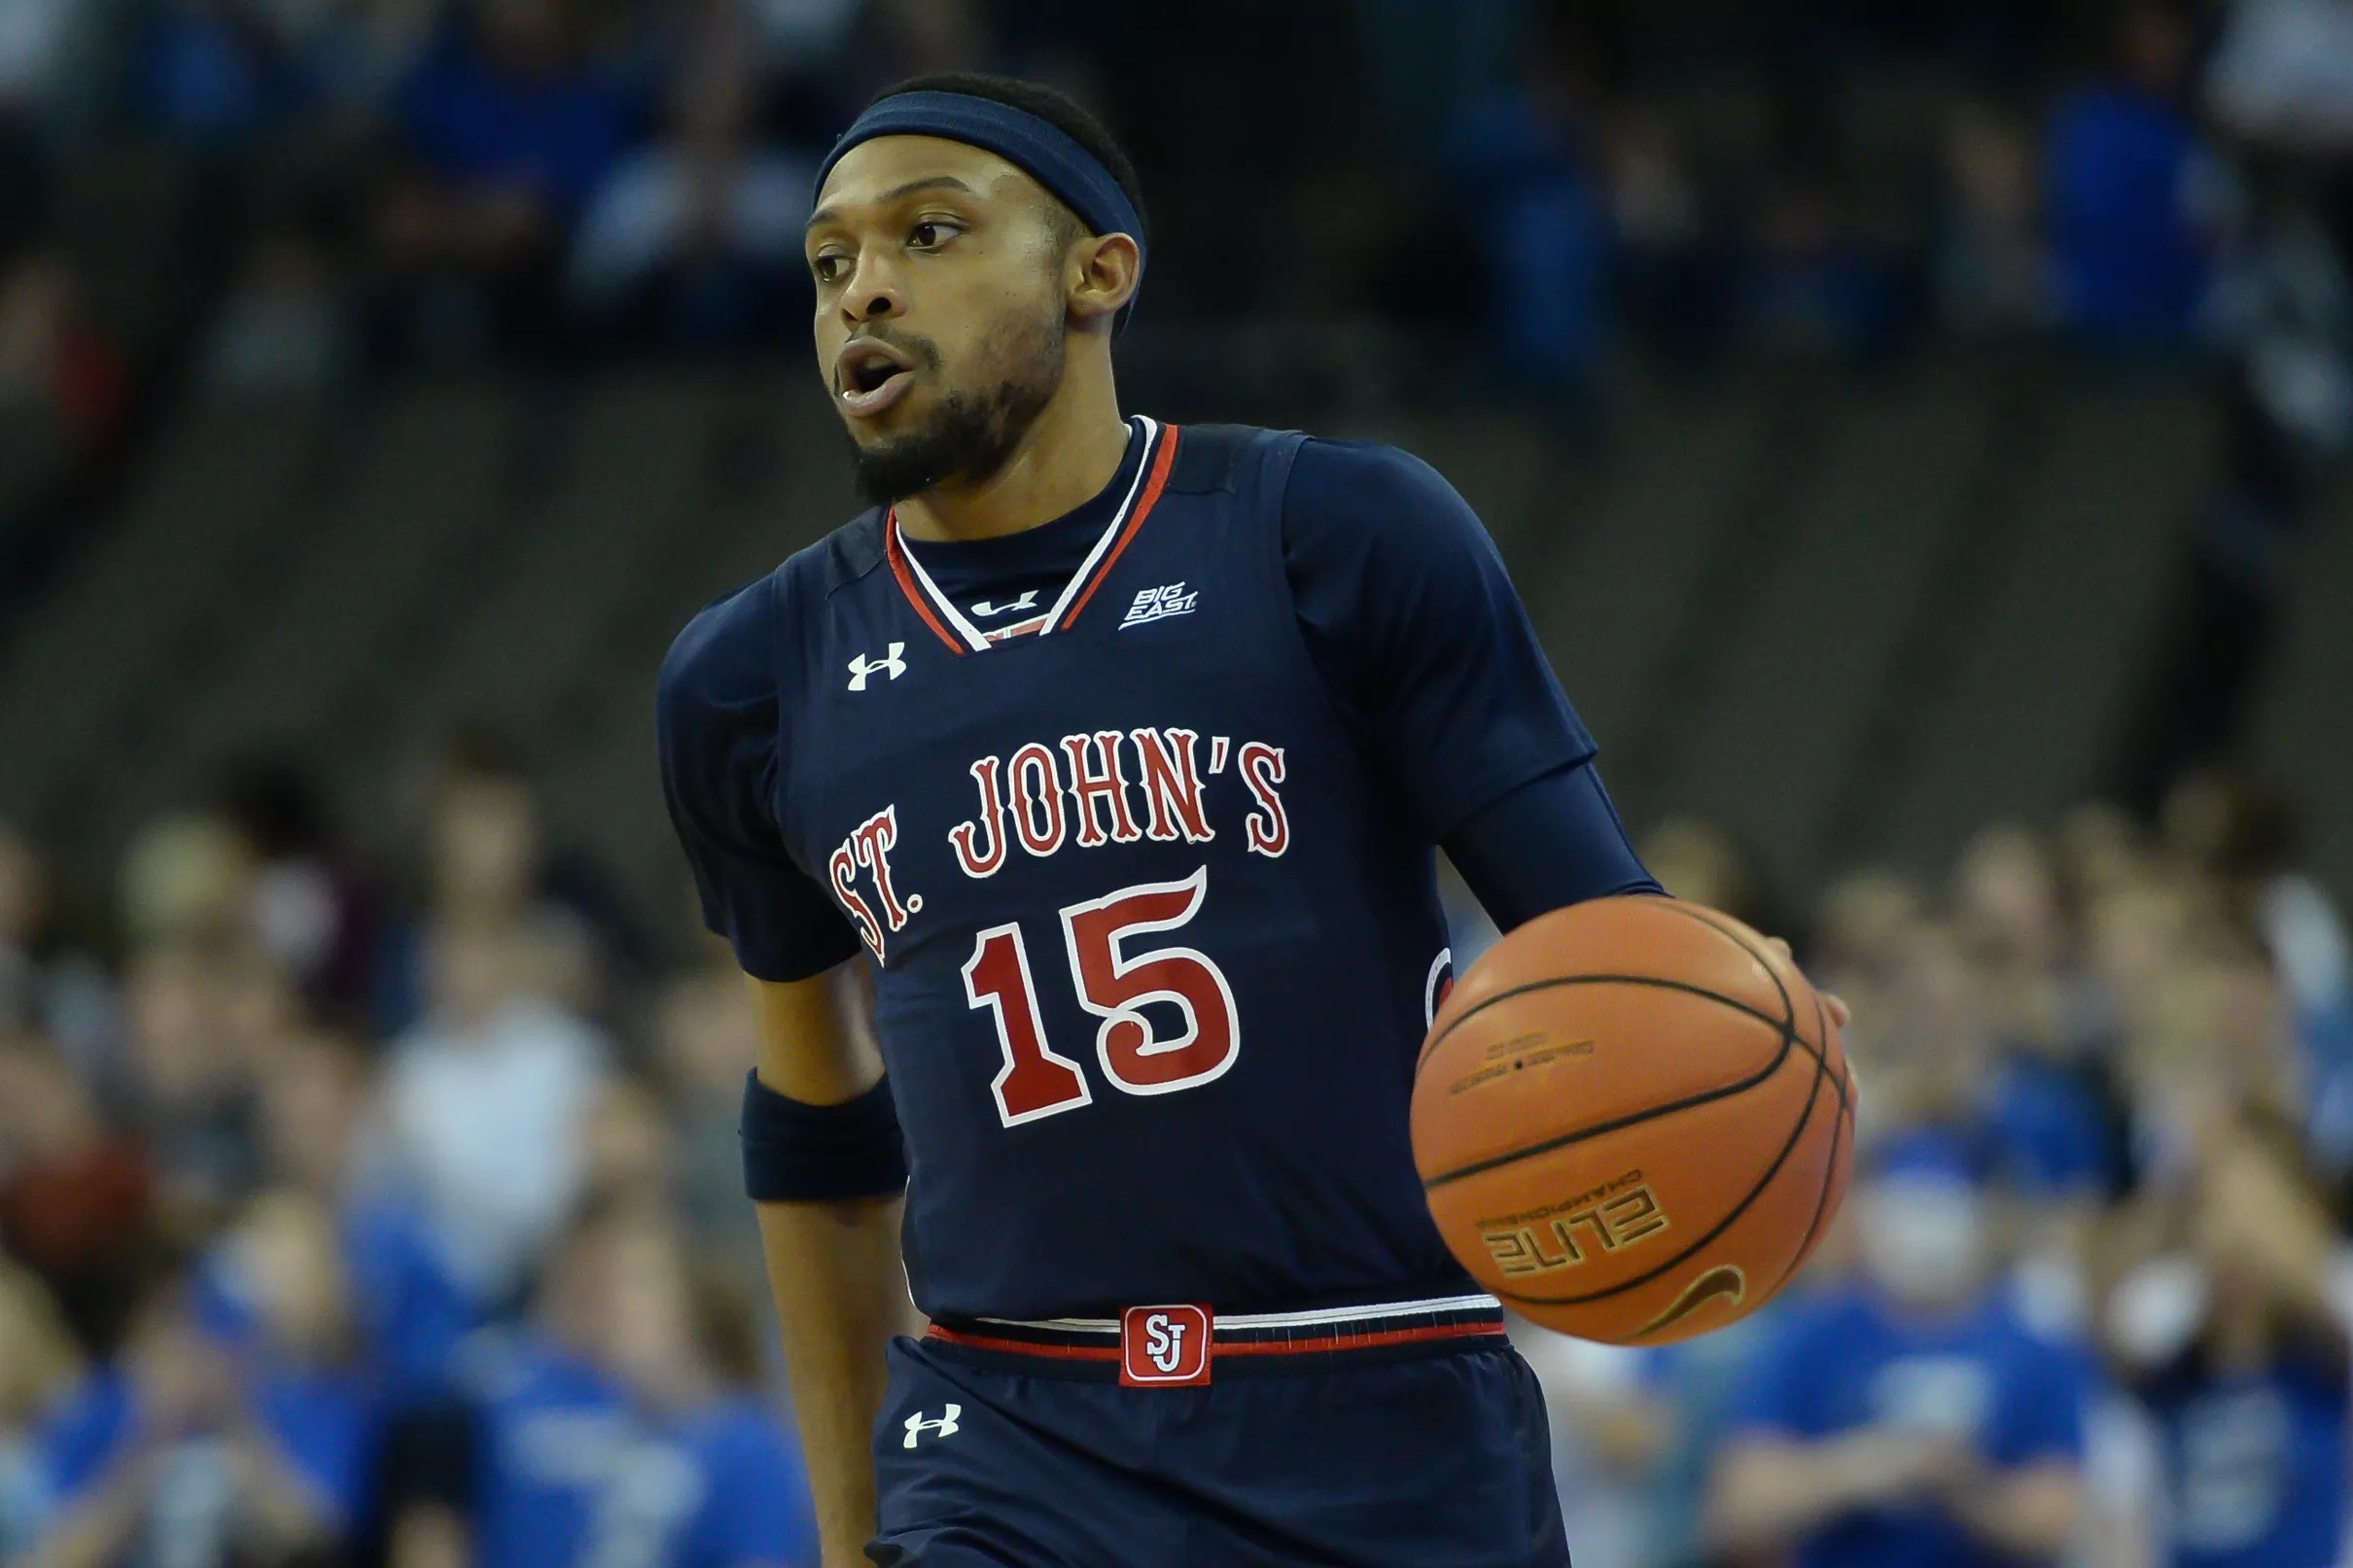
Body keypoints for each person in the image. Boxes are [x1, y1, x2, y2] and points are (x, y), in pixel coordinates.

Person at [656, 70, 1844, 1566]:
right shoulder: (751, 679)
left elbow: (1608, 951)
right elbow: (816, 1133)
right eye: (829, 260)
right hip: (1012, 1444)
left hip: (1385, 1406)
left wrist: (1741, 1044)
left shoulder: (1334, 534)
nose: (864, 290)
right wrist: (851, 1538)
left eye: (931, 233)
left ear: (1099, 271)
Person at [1707, 1132, 2090, 1568]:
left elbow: (2052, 1521)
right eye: (1905, 1208)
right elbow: (1741, 1503)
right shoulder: (1811, 1340)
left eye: (1937, 1207)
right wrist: (1863, 1466)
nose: (1921, 1229)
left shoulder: (2035, 1354)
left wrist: (1956, 1482)